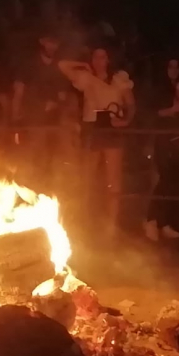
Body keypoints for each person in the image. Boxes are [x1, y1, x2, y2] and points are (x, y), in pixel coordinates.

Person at [59, 47, 135, 229]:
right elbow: (61, 65)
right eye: (95, 56)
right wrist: (82, 64)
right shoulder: (86, 77)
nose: (99, 60)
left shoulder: (118, 79)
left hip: (110, 127)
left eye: (103, 56)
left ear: (109, 59)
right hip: (92, 126)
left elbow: (131, 104)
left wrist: (125, 120)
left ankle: (111, 224)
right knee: (87, 177)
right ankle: (84, 221)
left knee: (113, 179)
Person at [12, 31, 69, 190]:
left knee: (46, 162)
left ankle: (42, 194)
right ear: (41, 41)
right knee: (28, 159)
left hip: (51, 125)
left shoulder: (59, 67)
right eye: (49, 42)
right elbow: (18, 93)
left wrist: (56, 105)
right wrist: (15, 120)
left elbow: (63, 98)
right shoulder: (28, 64)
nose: (52, 46)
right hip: (30, 122)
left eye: (55, 43)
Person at [143, 58, 179, 241]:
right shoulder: (158, 87)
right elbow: (153, 112)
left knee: (175, 179)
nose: (174, 70)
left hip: (177, 136)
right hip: (162, 136)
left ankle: (166, 223)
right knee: (165, 178)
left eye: (177, 66)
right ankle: (151, 220)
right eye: (170, 66)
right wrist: (174, 108)